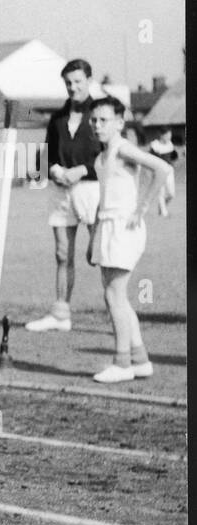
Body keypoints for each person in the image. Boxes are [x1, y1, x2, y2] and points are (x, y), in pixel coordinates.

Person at [85, 96, 173, 383]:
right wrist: (92, 238)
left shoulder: (123, 148)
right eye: (94, 120)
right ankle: (140, 360)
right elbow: (103, 198)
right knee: (114, 295)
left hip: (125, 227)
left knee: (114, 296)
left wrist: (142, 207)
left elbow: (162, 169)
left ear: (120, 123)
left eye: (104, 120)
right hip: (107, 227)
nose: (97, 125)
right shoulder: (101, 157)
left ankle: (121, 364)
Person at [25, 59, 102, 332]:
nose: (73, 87)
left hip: (91, 190)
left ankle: (117, 313)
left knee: (103, 253)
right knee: (62, 253)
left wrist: (82, 169)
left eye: (78, 81)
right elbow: (45, 156)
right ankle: (60, 315)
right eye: (68, 83)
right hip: (60, 191)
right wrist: (54, 169)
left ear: (89, 80)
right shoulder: (57, 118)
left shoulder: (102, 114)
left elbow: (112, 155)